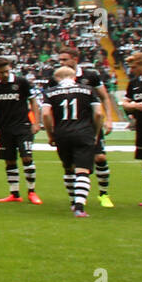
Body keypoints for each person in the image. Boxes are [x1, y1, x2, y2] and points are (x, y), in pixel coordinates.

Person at [57, 46, 117, 207]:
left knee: (100, 157)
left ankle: (104, 194)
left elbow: (104, 97)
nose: (61, 63)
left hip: (90, 126)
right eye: (60, 60)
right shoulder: (57, 78)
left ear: (75, 59)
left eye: (64, 59)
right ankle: (75, 199)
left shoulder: (90, 76)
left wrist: (109, 119)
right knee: (71, 165)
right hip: (69, 128)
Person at [41, 66, 104, 218]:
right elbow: (99, 114)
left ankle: (72, 201)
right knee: (82, 170)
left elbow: (45, 115)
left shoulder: (50, 92)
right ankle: (79, 207)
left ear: (57, 79)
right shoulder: (88, 90)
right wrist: (95, 133)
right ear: (74, 77)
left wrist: (51, 134)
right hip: (84, 133)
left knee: (68, 168)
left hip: (62, 133)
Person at [0, 56, 42, 204]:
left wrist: (36, 122)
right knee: (9, 161)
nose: (5, 74)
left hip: (23, 126)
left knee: (27, 157)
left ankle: (32, 192)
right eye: (2, 72)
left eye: (7, 71)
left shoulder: (21, 82)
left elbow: (33, 101)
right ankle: (14, 194)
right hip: (4, 128)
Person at [118, 51, 142, 206]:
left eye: (134, 67)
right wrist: (135, 105)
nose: (131, 70)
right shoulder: (134, 84)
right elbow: (124, 103)